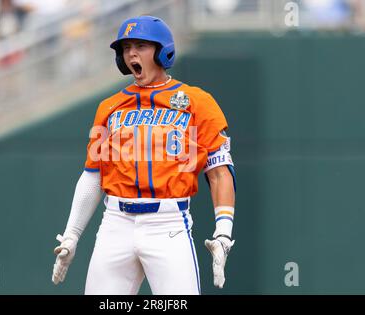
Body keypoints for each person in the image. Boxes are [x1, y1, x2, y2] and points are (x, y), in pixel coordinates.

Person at [51, 15, 236, 295]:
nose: (131, 54)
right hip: (116, 221)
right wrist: (72, 234)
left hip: (168, 223)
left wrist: (223, 232)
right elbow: (93, 176)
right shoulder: (110, 107)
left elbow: (220, 171)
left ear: (163, 51)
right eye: (126, 48)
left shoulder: (198, 102)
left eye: (140, 45)